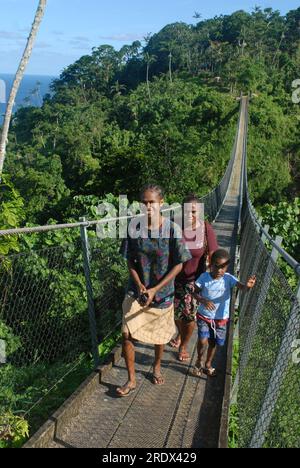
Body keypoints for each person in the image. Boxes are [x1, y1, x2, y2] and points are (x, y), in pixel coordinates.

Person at [116, 184, 192, 397]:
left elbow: (179, 263)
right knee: (127, 334)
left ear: (162, 204)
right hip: (137, 292)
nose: (148, 207)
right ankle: (131, 380)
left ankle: (157, 366)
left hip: (162, 293)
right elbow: (129, 260)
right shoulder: (134, 228)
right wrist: (140, 284)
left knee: (159, 336)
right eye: (144, 202)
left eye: (152, 202)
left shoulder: (172, 230)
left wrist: (155, 289)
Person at [192, 248, 256, 377]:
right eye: (217, 266)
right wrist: (202, 300)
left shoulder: (228, 278)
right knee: (203, 339)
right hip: (204, 316)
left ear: (227, 267)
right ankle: (199, 360)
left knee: (214, 342)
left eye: (223, 267)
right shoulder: (204, 277)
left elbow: (241, 287)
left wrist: (247, 287)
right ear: (211, 263)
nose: (220, 270)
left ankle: (208, 364)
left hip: (221, 318)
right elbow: (194, 291)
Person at [171, 195, 218, 362]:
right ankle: (179, 333)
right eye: (186, 211)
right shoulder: (173, 225)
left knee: (189, 316)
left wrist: (215, 278)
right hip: (173, 278)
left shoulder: (205, 229)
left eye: (194, 212)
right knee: (175, 315)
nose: (190, 215)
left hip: (194, 281)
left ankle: (183, 344)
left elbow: (213, 254)